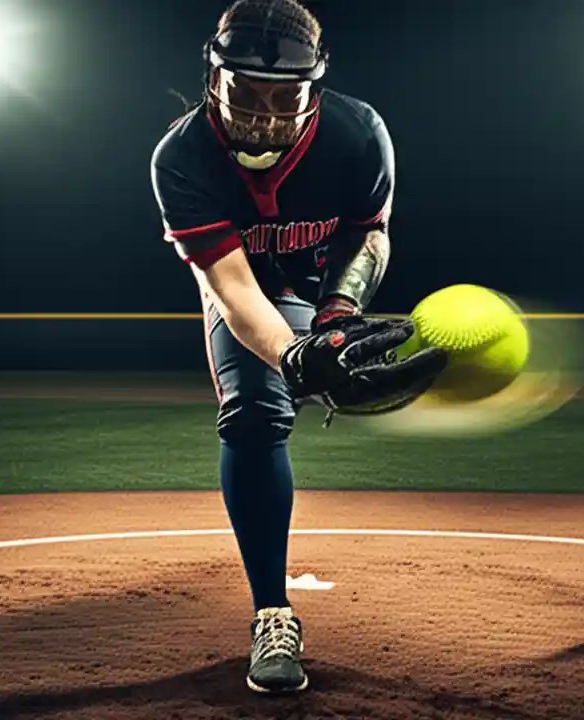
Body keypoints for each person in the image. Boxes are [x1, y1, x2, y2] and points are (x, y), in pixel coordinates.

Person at [149, 0, 445, 694]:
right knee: (255, 414)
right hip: (249, 284)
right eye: (245, 93)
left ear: (317, 84)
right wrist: (293, 356)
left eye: (285, 98)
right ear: (210, 77)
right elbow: (232, 284)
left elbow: (369, 236)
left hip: (321, 276)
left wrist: (338, 319)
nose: (262, 117)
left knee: (301, 373)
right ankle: (271, 613)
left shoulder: (358, 134)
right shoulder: (182, 158)